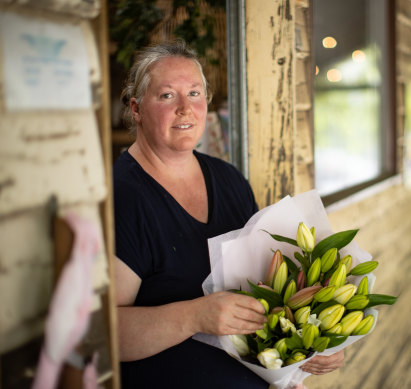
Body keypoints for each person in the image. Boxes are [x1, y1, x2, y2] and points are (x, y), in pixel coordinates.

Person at [113, 41, 344, 388]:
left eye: (194, 93)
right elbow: (100, 334)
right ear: (136, 108)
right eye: (166, 96)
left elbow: (263, 292)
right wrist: (193, 316)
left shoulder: (229, 180)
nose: (184, 108)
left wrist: (309, 345)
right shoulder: (121, 196)